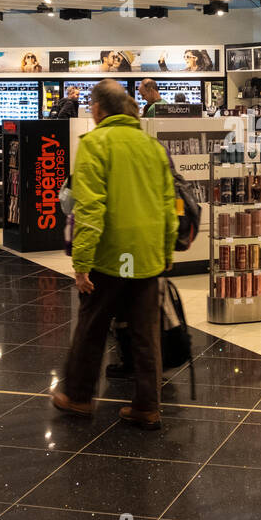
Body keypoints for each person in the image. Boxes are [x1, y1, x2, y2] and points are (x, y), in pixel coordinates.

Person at [52, 79, 177, 430]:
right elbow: (169, 204)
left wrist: (81, 263)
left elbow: (90, 209)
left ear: (97, 109)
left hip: (110, 255)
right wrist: (166, 250)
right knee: (145, 333)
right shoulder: (151, 146)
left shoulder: (95, 144)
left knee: (91, 327)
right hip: (147, 254)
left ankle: (78, 396)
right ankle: (147, 406)